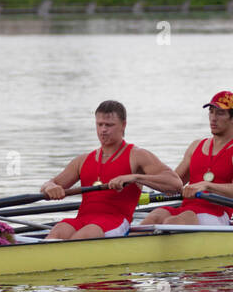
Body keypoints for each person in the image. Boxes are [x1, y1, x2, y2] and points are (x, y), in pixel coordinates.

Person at [39, 100, 182, 239]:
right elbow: (49, 184)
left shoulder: (137, 155)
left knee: (89, 232)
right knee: (59, 229)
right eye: (99, 124)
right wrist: (51, 187)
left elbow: (175, 183)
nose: (103, 130)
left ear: (123, 125)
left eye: (109, 125)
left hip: (114, 221)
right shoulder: (82, 160)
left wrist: (135, 177)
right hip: (83, 219)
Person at [143, 91, 233, 227]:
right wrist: (138, 179)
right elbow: (173, 184)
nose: (213, 118)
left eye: (220, 113)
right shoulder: (196, 146)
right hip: (187, 210)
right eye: (211, 112)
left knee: (174, 221)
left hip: (216, 215)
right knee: (156, 215)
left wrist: (207, 185)